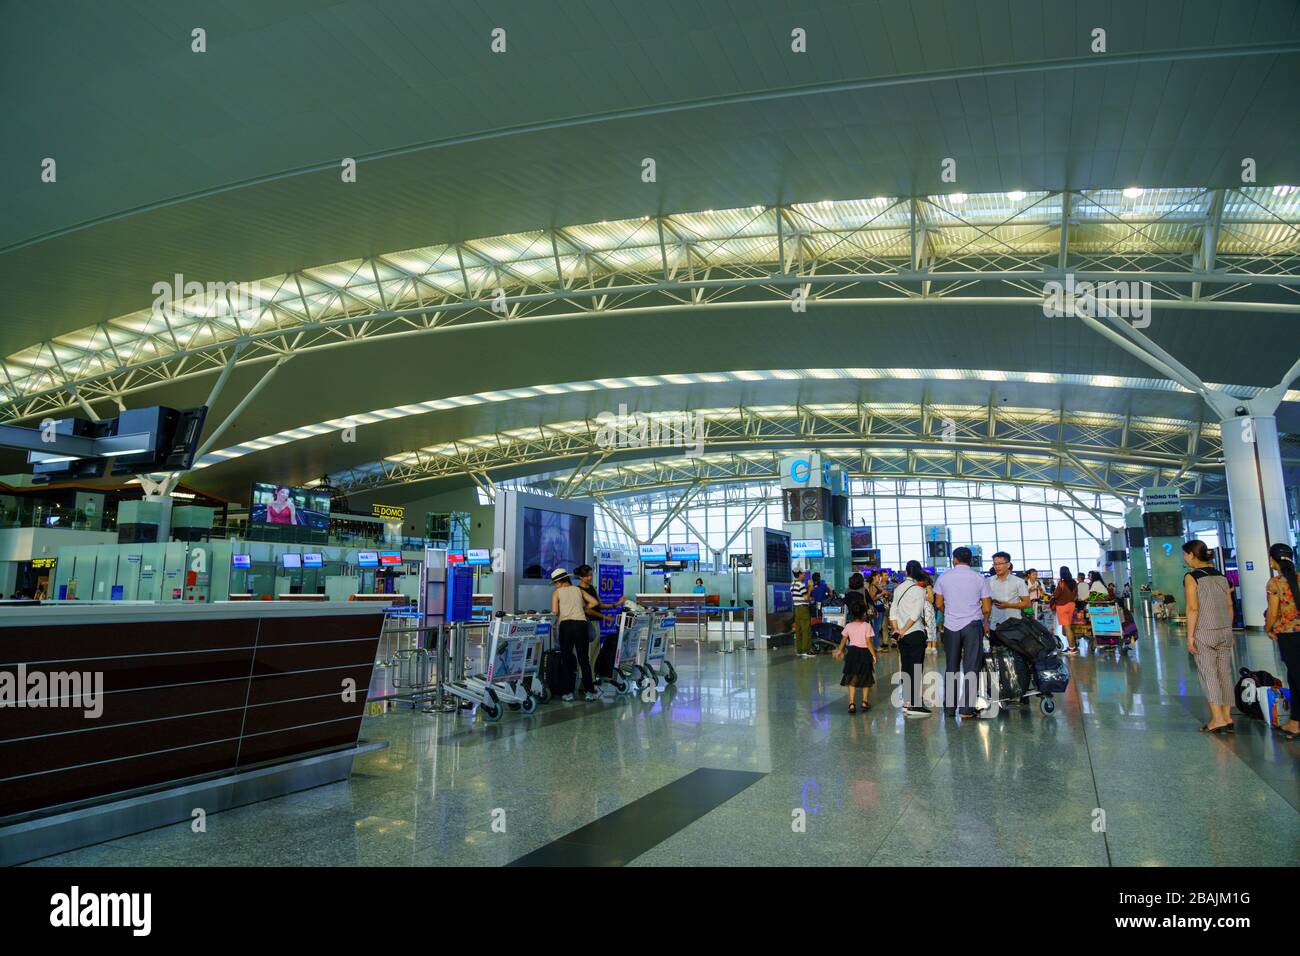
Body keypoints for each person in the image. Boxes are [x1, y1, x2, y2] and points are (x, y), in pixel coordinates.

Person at [1182, 540, 1235, 734]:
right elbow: (1230, 605)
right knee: (1225, 674)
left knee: (1209, 674)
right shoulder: (1221, 576)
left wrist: (1190, 636)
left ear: (1191, 555)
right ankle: (1228, 717)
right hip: (1224, 630)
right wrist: (1228, 629)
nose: (1184, 558)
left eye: (1185, 554)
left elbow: (1193, 608)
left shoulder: (1191, 577)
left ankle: (1217, 719)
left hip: (1205, 631)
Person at [934, 547, 991, 718]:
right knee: (971, 666)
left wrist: (949, 613)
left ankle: (950, 709)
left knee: (951, 666)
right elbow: (987, 607)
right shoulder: (979, 578)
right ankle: (966, 710)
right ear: (971, 560)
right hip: (973, 625)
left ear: (954, 559)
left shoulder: (944, 577)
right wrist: (985, 622)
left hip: (951, 626)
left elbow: (938, 604)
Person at [1264, 543, 1300, 740]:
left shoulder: (1275, 583)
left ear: (1274, 560)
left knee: (1297, 677)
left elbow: (1272, 612)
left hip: (1289, 636)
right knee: (1294, 678)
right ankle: (1295, 722)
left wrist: (1267, 628)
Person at [550, 568, 602, 702]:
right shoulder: (579, 590)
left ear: (560, 581)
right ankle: (589, 692)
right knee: (584, 660)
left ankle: (568, 693)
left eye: (555, 582)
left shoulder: (557, 593)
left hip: (566, 626)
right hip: (581, 625)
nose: (555, 585)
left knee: (567, 659)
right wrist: (583, 608)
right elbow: (594, 602)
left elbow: (555, 612)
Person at [890, 560, 933, 716]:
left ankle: (907, 702)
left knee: (906, 668)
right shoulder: (919, 590)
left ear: (906, 572)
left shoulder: (898, 588)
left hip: (901, 636)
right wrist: (904, 630)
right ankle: (915, 704)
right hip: (914, 633)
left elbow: (893, 611)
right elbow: (915, 615)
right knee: (916, 668)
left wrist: (897, 630)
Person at [574, 564, 625, 678]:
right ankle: (584, 679)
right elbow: (587, 611)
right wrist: (604, 617)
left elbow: (600, 605)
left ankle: (590, 677)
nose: (590, 578)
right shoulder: (578, 591)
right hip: (587, 624)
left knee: (595, 653)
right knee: (587, 653)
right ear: (581, 577)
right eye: (587, 576)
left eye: (591, 575)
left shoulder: (592, 588)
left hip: (595, 623)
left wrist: (616, 604)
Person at [833, 602, 876, 714]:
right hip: (864, 653)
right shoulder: (867, 626)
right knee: (866, 677)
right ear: (863, 614)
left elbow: (843, 640)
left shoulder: (848, 626)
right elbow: (869, 642)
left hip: (852, 653)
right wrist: (873, 655)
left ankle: (851, 703)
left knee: (852, 677)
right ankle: (864, 702)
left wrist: (839, 650)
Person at [988, 551, 1030, 630]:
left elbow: (1027, 603)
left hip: (1014, 624)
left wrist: (1008, 605)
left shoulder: (1019, 582)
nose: (997, 567)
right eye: (995, 564)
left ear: (1008, 565)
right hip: (995, 625)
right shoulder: (988, 581)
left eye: (1000, 564)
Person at [1049, 567, 1079, 653]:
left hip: (1062, 606)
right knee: (1067, 627)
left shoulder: (1061, 583)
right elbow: (1076, 595)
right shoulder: (1074, 582)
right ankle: (1073, 646)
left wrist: (1052, 597)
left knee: (1067, 628)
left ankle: (1072, 648)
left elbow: (1056, 594)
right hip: (1071, 605)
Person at [791, 569, 813, 658]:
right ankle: (806, 650)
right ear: (799, 574)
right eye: (803, 573)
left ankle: (799, 650)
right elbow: (806, 598)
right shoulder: (800, 584)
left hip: (796, 608)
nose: (804, 574)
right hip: (803, 609)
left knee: (799, 630)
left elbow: (799, 595)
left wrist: (806, 588)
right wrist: (810, 589)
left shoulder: (793, 584)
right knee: (806, 630)